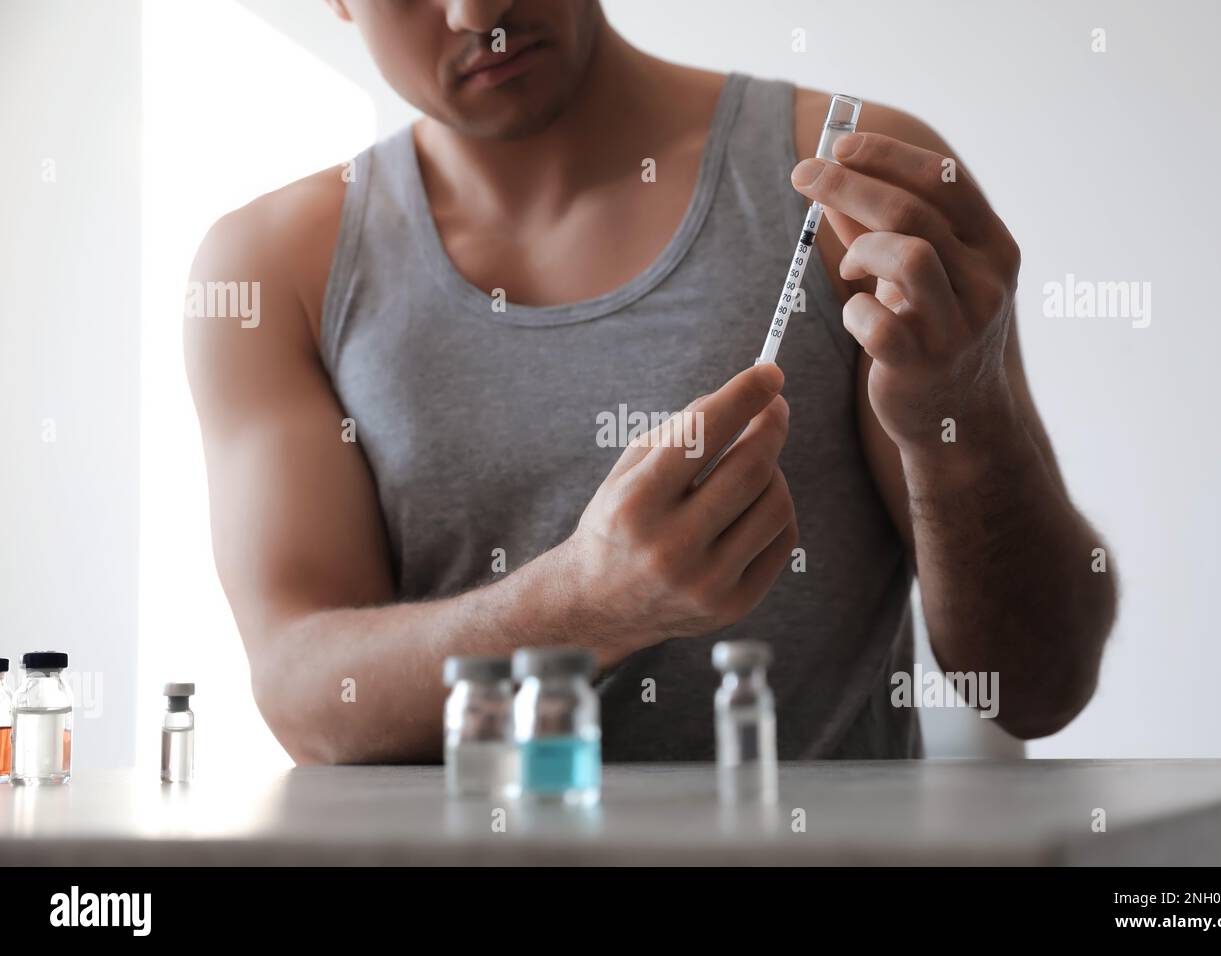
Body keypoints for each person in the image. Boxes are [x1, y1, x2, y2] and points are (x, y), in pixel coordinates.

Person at [184, 0, 1116, 765]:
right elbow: (304, 694)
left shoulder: (852, 182)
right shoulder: (274, 268)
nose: (481, 12)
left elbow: (1038, 686)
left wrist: (961, 417)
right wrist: (586, 603)